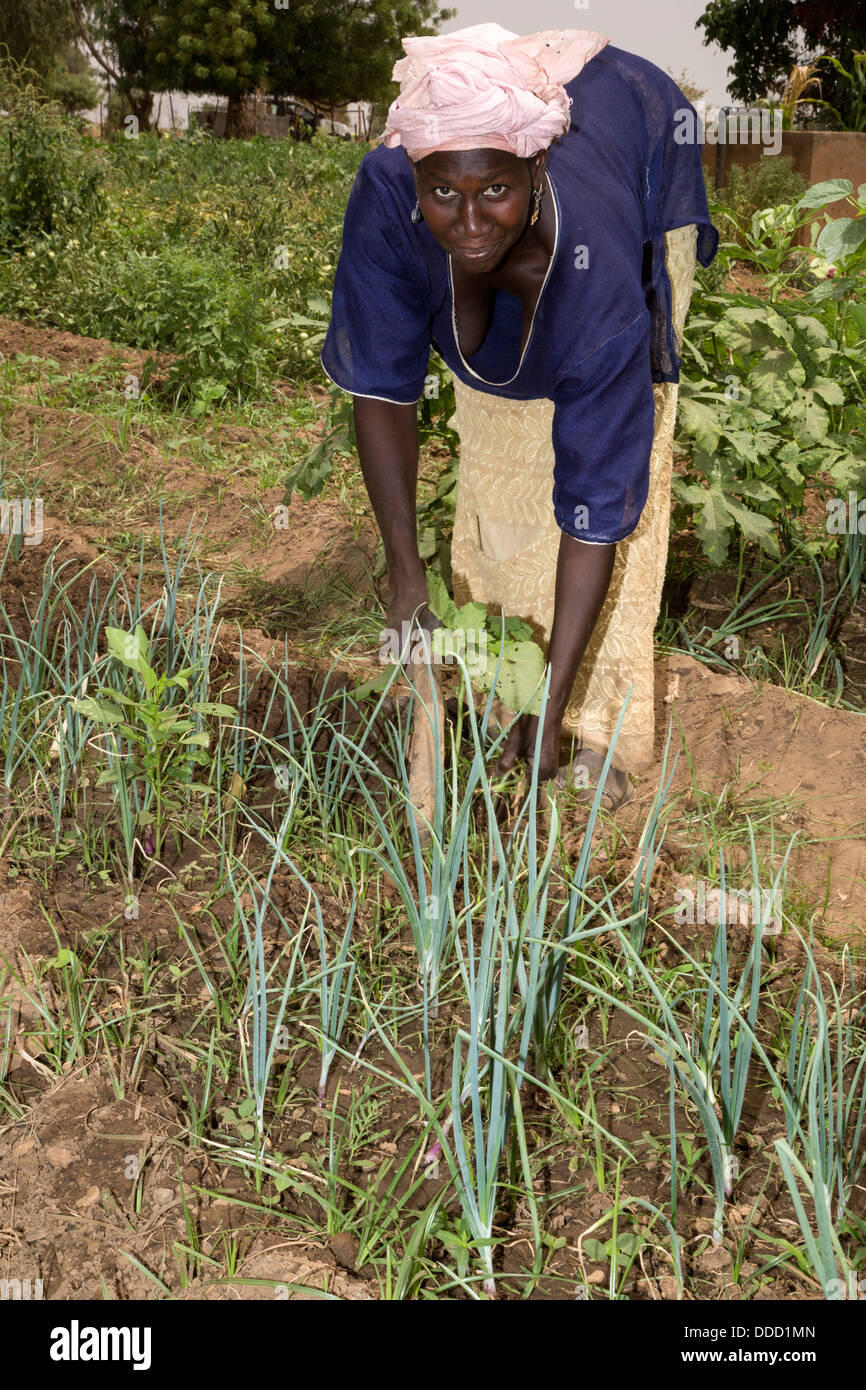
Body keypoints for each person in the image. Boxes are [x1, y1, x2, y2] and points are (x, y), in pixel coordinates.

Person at [321, 23, 719, 809]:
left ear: (535, 170)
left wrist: (553, 709)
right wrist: (406, 576)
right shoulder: (389, 201)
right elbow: (382, 388)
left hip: (634, 164)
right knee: (502, 471)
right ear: (417, 178)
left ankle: (592, 727)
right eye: (444, 194)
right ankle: (504, 692)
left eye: (495, 191)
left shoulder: (598, 276)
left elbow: (599, 504)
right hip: (510, 239)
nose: (470, 222)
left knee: (605, 495)